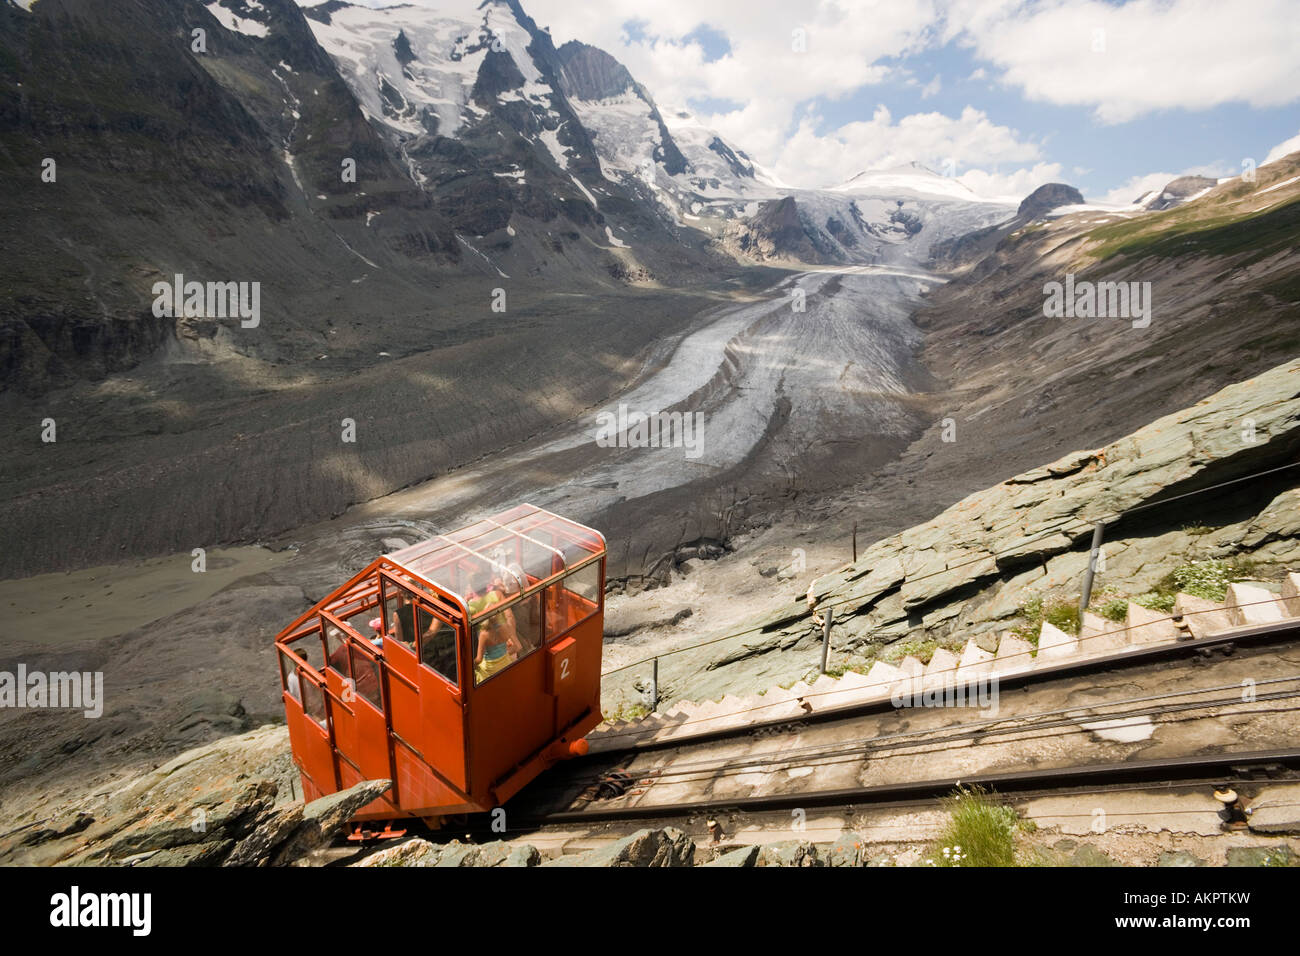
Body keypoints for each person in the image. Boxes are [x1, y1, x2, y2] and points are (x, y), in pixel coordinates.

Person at [469, 572, 519, 683]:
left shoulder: (470, 607)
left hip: (489, 669)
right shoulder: (497, 594)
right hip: (504, 660)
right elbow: (509, 616)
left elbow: (479, 659)